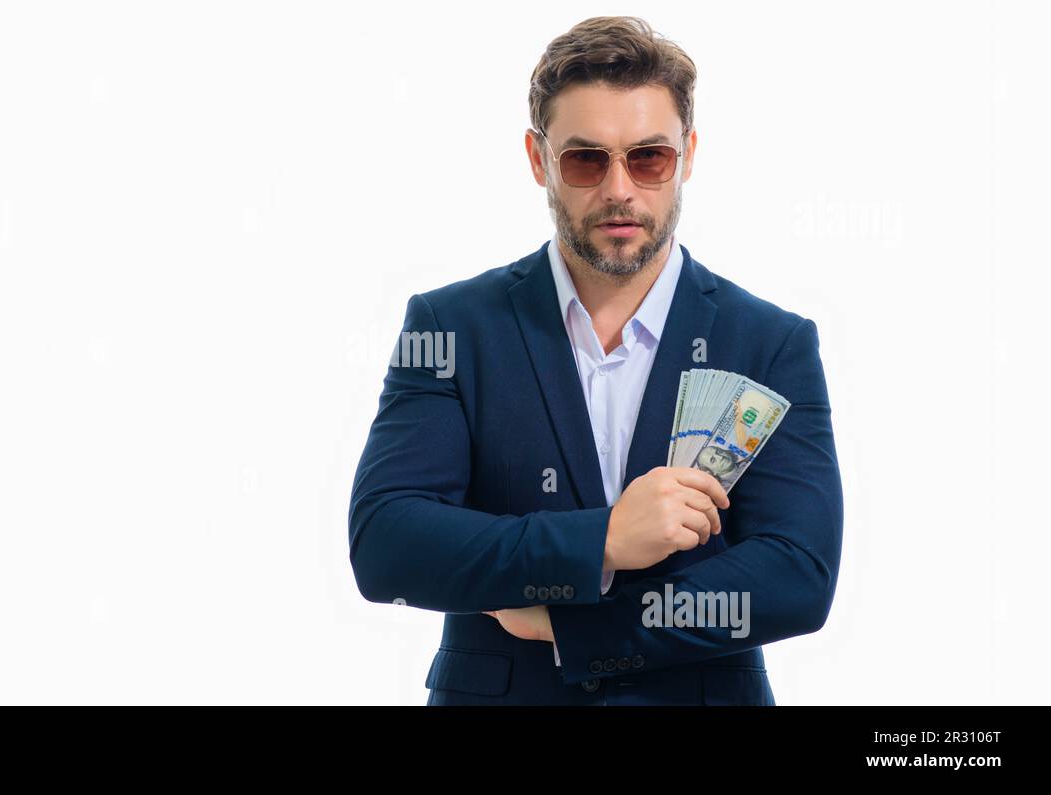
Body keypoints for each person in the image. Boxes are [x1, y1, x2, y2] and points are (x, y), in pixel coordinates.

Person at [347, 15, 842, 705]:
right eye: (586, 159)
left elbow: (798, 575)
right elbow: (388, 543)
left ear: (688, 155)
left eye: (648, 158)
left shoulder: (770, 342)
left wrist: (581, 628)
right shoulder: (453, 328)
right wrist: (603, 539)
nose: (619, 189)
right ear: (537, 158)